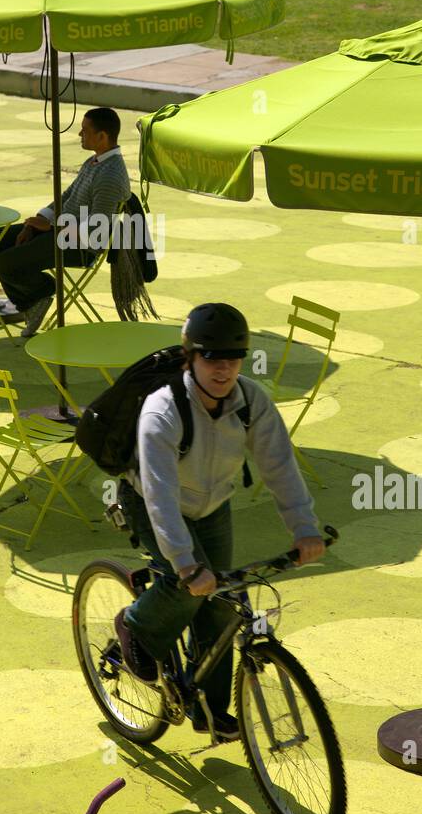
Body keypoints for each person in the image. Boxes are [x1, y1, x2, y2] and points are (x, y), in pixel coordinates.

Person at [114, 302, 325, 742]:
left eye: (233, 357)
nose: (223, 367)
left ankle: (208, 708)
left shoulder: (251, 401)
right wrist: (186, 564)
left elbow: (280, 466)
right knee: (185, 585)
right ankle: (135, 626)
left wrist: (304, 528)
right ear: (190, 356)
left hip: (213, 505)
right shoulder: (162, 412)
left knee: (224, 599)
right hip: (149, 501)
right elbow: (160, 497)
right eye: (211, 356)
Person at [0, 107, 130, 339]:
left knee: (6, 263)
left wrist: (50, 227)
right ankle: (33, 299)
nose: (80, 134)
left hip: (80, 245)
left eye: (85, 131)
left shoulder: (110, 176)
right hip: (60, 230)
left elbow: (97, 230)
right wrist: (38, 221)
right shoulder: (94, 161)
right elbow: (67, 196)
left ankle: (40, 293)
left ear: (102, 136)